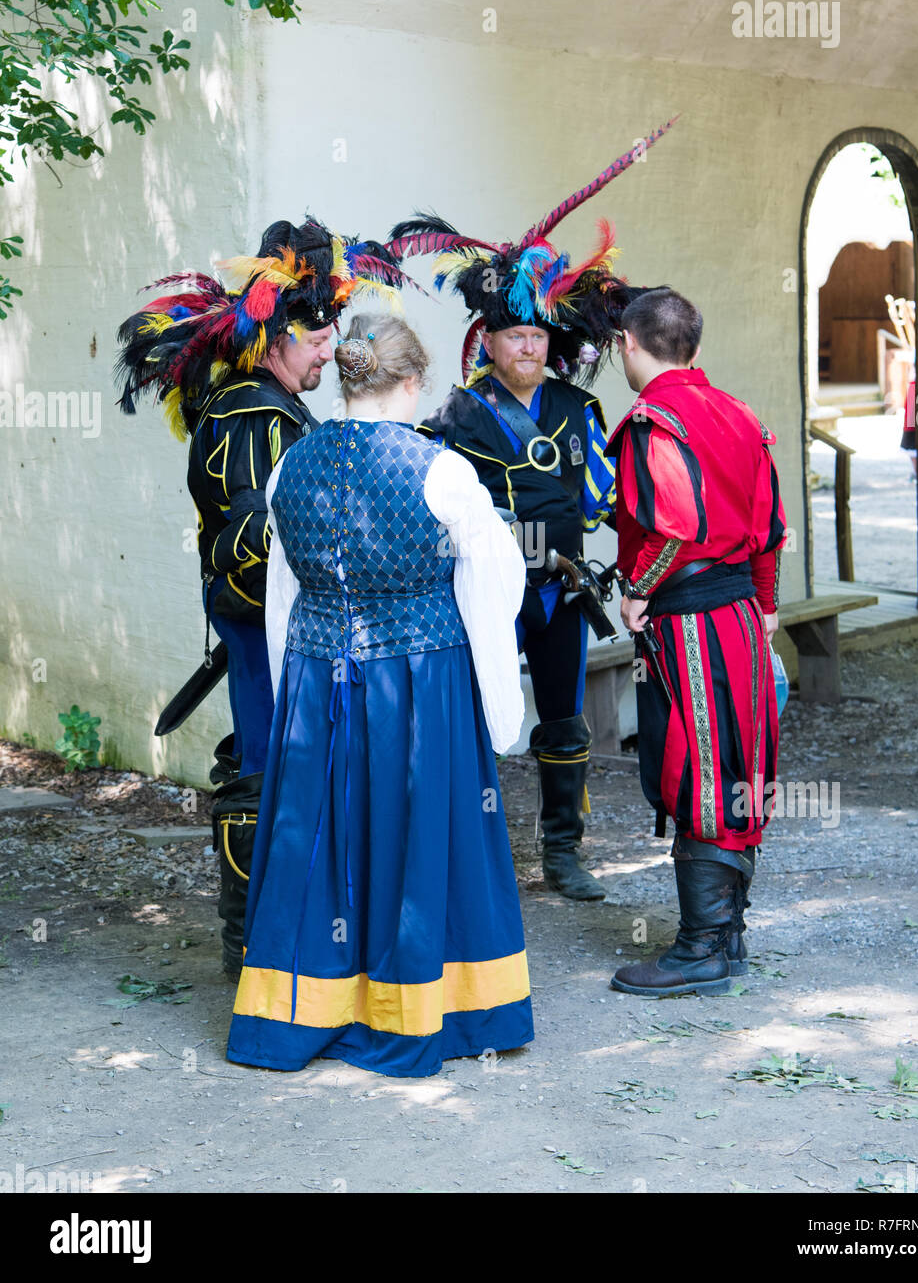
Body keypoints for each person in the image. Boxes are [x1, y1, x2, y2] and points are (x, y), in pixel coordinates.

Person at [226, 314, 534, 1077]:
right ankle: (426, 1003)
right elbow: (494, 582)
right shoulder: (441, 471)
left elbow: (282, 595)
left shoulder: (290, 463)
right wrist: (501, 707)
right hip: (420, 683)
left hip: (314, 679)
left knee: (325, 836)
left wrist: (294, 683)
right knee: (418, 832)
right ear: (410, 382)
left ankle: (308, 1007)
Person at [388, 123, 677, 901]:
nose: (528, 348)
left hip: (560, 586)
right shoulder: (455, 415)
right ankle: (471, 855)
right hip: (483, 583)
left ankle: (563, 852)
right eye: (514, 336)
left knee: (564, 720)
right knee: (477, 712)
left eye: (537, 336)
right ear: (490, 339)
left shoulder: (578, 409)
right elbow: (436, 513)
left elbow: (608, 498)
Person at [115, 219, 408, 977]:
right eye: (316, 341)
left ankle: (284, 931)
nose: (328, 353)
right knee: (261, 771)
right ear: (275, 339)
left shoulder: (270, 403)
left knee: (279, 764)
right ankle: (247, 945)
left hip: (284, 626)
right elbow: (257, 539)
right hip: (264, 627)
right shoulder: (252, 411)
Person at [604, 288, 786, 997]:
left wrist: (638, 590)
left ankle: (702, 947)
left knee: (700, 768)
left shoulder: (655, 421)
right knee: (740, 762)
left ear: (628, 343)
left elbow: (675, 526)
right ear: (695, 350)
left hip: (689, 619)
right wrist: (766, 607)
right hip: (739, 611)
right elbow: (769, 525)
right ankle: (728, 936)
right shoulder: (741, 415)